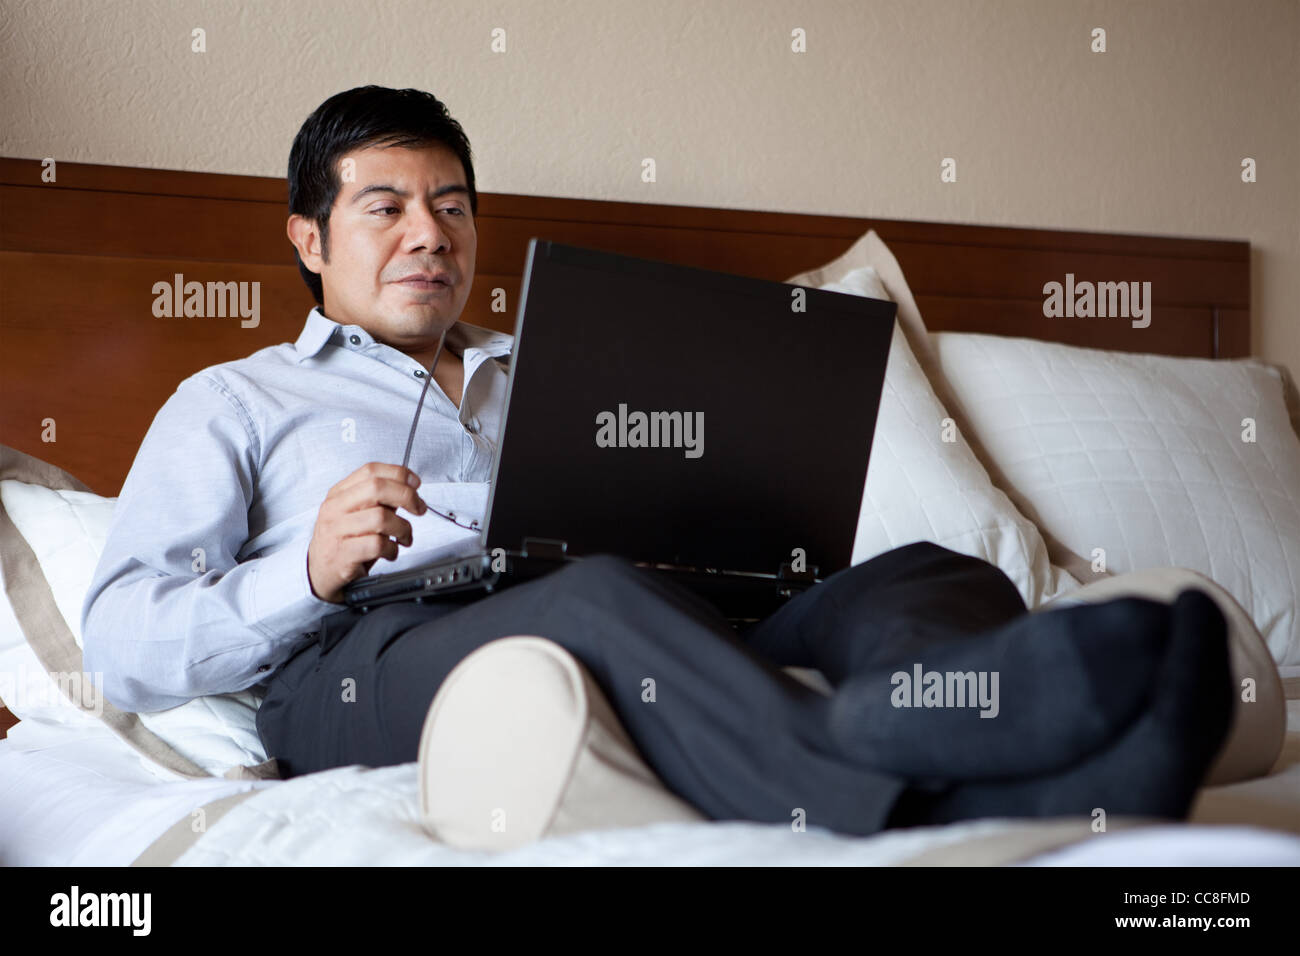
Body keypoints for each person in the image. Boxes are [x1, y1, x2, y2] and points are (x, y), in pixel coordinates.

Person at [81, 86, 1233, 837]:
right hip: (359, 656)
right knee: (592, 591)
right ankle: (870, 769)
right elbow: (122, 640)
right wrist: (308, 574)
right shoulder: (233, 398)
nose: (430, 234)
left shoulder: (563, 357)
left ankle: (937, 712)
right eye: (384, 207)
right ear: (305, 238)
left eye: (451, 206)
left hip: (635, 603)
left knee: (922, 568)